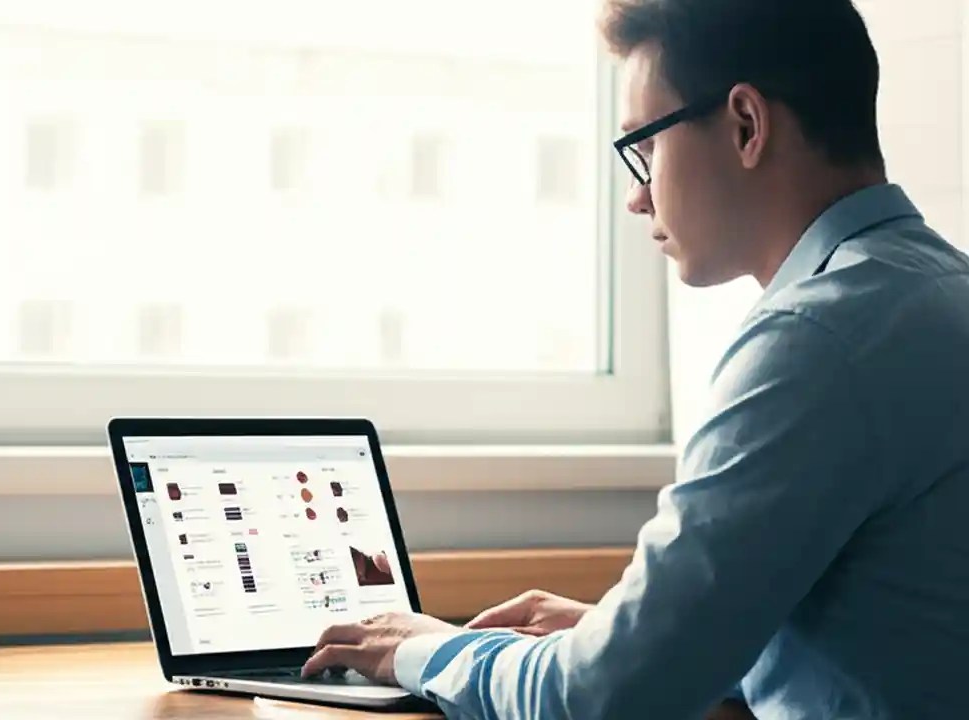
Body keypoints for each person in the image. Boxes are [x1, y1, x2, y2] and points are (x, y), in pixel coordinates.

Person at [300, 0, 969, 717]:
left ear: (746, 124)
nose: (636, 195)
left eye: (644, 147)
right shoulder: (937, 295)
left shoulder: (816, 340)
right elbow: (891, 641)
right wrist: (623, 636)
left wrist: (421, 649)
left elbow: (603, 698)